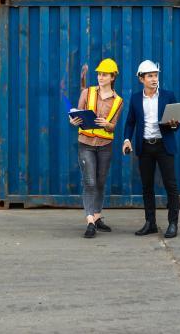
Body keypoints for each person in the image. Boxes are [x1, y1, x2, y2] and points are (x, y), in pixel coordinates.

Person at [121, 60, 180, 238]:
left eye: (156, 75)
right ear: (141, 79)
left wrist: (174, 123)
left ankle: (173, 223)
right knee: (147, 187)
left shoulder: (168, 96)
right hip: (145, 147)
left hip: (164, 145)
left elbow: (177, 125)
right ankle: (150, 223)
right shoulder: (135, 98)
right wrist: (126, 140)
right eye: (150, 76)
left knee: (171, 185)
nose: (154, 79)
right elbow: (130, 122)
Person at [68, 58, 124, 239]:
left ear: (112, 77)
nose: (100, 77)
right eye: (99, 74)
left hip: (105, 146)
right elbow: (77, 114)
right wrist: (73, 120)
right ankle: (90, 221)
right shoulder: (87, 92)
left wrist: (107, 125)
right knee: (90, 182)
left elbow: (113, 127)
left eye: (105, 75)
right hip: (86, 144)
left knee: (100, 182)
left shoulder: (118, 101)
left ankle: (97, 216)